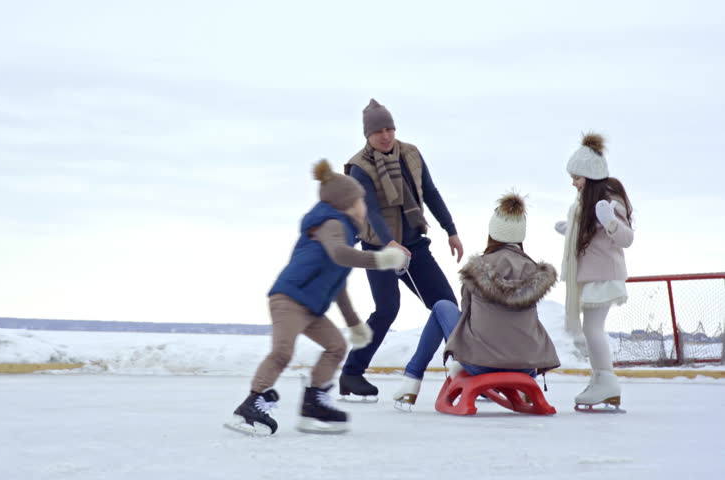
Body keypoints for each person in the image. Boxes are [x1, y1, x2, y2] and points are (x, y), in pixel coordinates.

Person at [224, 159, 408, 436]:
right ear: (347, 203)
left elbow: (338, 285)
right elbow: (340, 255)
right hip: (289, 298)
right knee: (282, 352)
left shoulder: (343, 231)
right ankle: (251, 404)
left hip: (311, 307)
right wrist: (381, 260)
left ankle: (313, 404)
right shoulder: (331, 223)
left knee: (336, 347)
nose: (364, 207)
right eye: (361, 201)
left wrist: (355, 323)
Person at [339, 99, 464, 401]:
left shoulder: (411, 154)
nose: (385, 135)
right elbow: (370, 209)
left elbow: (431, 193)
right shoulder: (360, 167)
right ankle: (351, 375)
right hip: (379, 249)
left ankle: (467, 367)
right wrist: (389, 242)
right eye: (378, 131)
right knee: (387, 309)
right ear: (367, 135)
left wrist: (451, 230)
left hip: (415, 245)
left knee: (445, 304)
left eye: (389, 128)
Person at [392, 193, 560, 410]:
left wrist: (458, 356)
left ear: (493, 232)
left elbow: (466, 314)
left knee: (442, 306)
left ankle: (411, 380)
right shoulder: (536, 272)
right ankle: (522, 389)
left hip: (480, 365)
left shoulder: (478, 267)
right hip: (526, 367)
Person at [556, 133, 634, 411]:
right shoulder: (583, 205)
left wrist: (610, 221)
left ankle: (606, 380)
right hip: (592, 276)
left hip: (604, 276)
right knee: (590, 329)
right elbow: (592, 235)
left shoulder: (609, 201)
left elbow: (626, 238)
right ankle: (600, 378)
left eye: (577, 176)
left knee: (592, 328)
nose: (573, 182)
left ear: (590, 175)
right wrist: (571, 231)